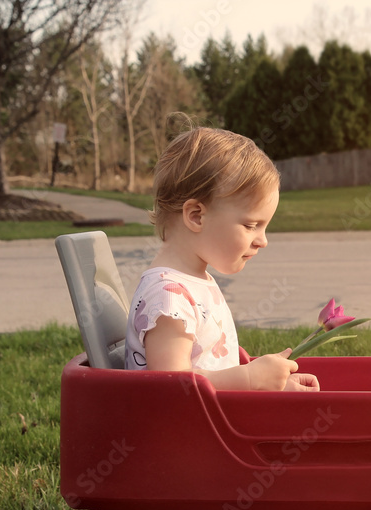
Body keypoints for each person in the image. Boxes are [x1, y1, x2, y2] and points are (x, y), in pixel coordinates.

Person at [125, 124, 319, 392]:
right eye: (251, 225)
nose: (263, 240)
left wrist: (271, 383)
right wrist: (250, 380)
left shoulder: (193, 281)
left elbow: (208, 367)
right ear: (196, 216)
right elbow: (171, 388)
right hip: (186, 434)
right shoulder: (168, 297)